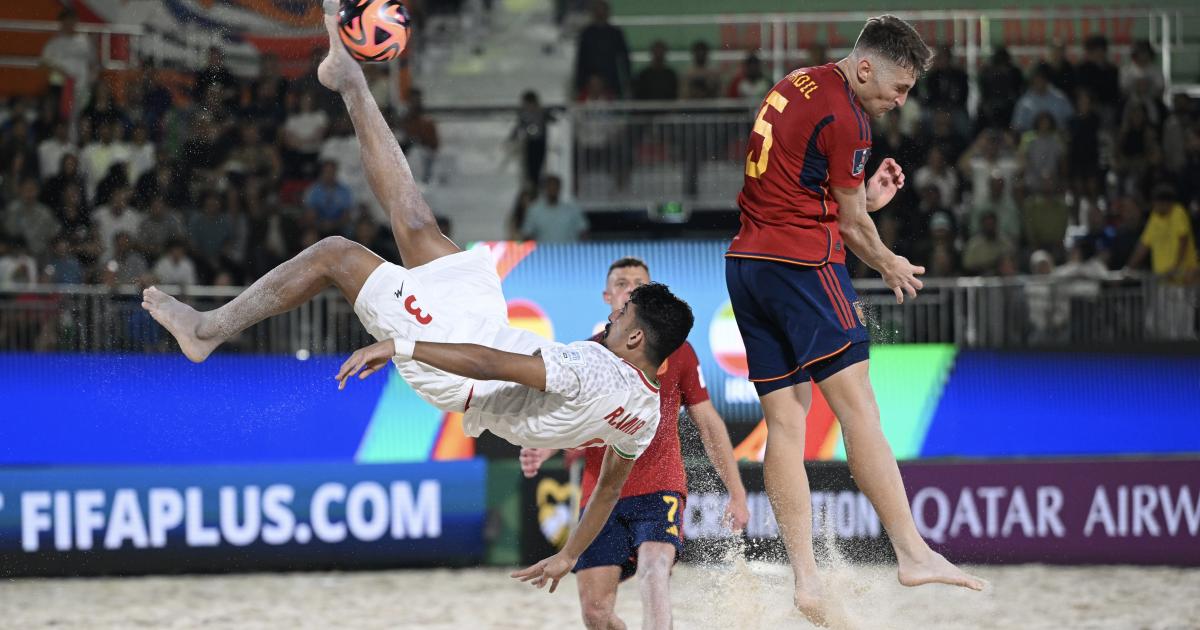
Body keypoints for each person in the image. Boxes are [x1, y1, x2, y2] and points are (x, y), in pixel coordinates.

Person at [141, 1, 695, 593]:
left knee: (336, 253)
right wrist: (567, 553)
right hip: (486, 337)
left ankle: (206, 332)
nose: (612, 312)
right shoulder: (643, 412)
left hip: (463, 372)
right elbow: (609, 487)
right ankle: (351, 80)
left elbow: (488, 364)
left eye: (621, 313)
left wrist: (401, 343)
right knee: (416, 222)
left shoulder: (589, 366)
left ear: (634, 336)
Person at [725, 15, 983, 624]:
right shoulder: (850, 116)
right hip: (802, 268)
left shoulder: (799, 84)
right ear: (865, 67)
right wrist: (890, 260)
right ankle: (912, 551)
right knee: (859, 409)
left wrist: (864, 197)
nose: (900, 101)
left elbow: (802, 188)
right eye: (898, 88)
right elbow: (849, 229)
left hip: (748, 265)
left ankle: (807, 580)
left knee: (785, 424)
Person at [519, 257, 750, 630]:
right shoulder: (589, 355)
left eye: (637, 284)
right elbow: (573, 421)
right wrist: (546, 445)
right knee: (596, 614)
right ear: (608, 296)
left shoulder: (678, 352)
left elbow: (707, 422)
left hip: (660, 487)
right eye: (622, 283)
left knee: (655, 572)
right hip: (600, 494)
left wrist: (736, 493)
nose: (629, 288)